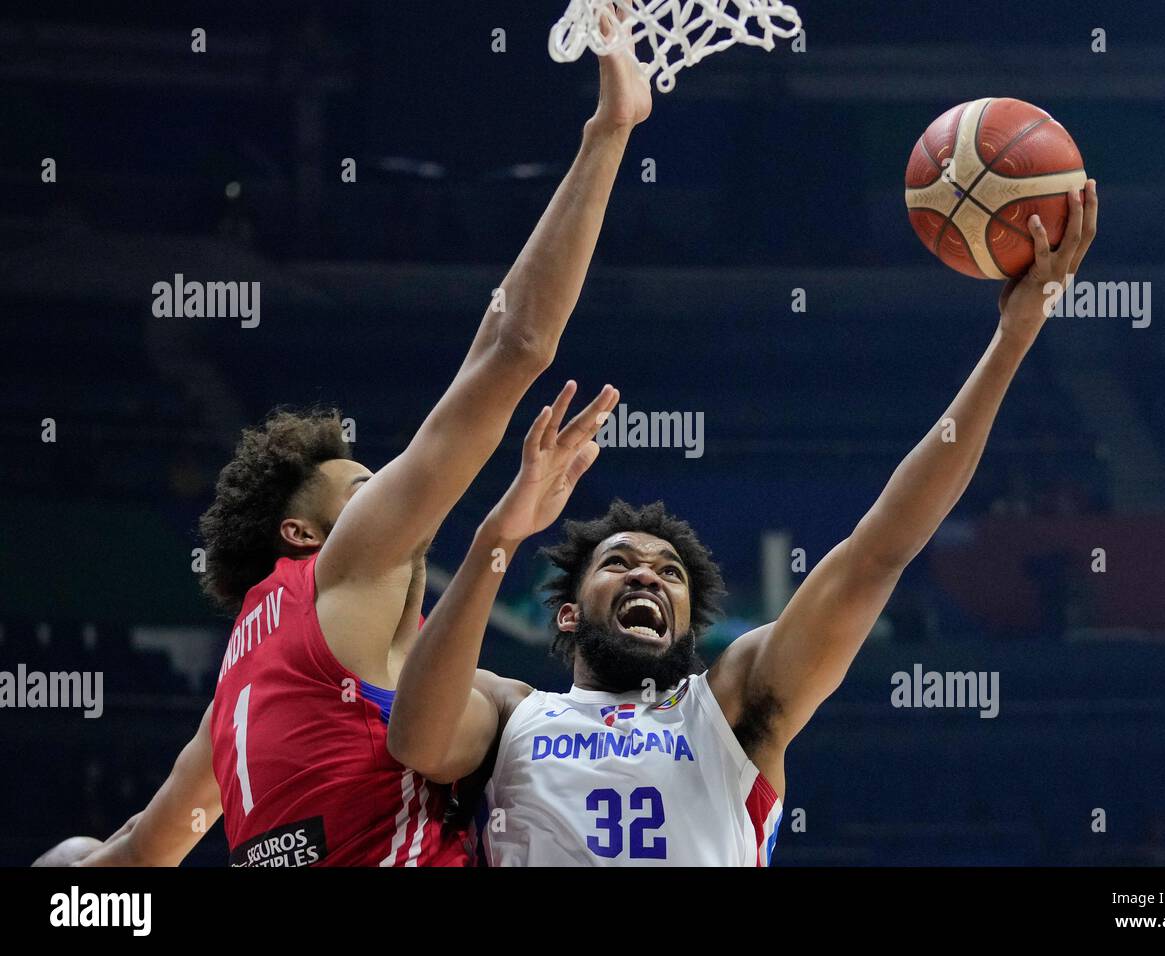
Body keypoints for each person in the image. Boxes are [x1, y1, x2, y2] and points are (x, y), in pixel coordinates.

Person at [33, 35, 651, 867]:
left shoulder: (229, 714)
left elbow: (135, 855)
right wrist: (608, 132)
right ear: (302, 532)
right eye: (363, 487)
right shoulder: (349, 568)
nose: (389, 498)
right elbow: (514, 346)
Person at [387, 182, 1100, 865]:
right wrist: (500, 536)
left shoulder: (731, 704)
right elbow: (419, 740)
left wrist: (1013, 339)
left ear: (690, 621)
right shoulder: (512, 713)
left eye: (670, 573)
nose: (646, 572)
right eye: (619, 564)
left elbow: (879, 550)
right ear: (568, 615)